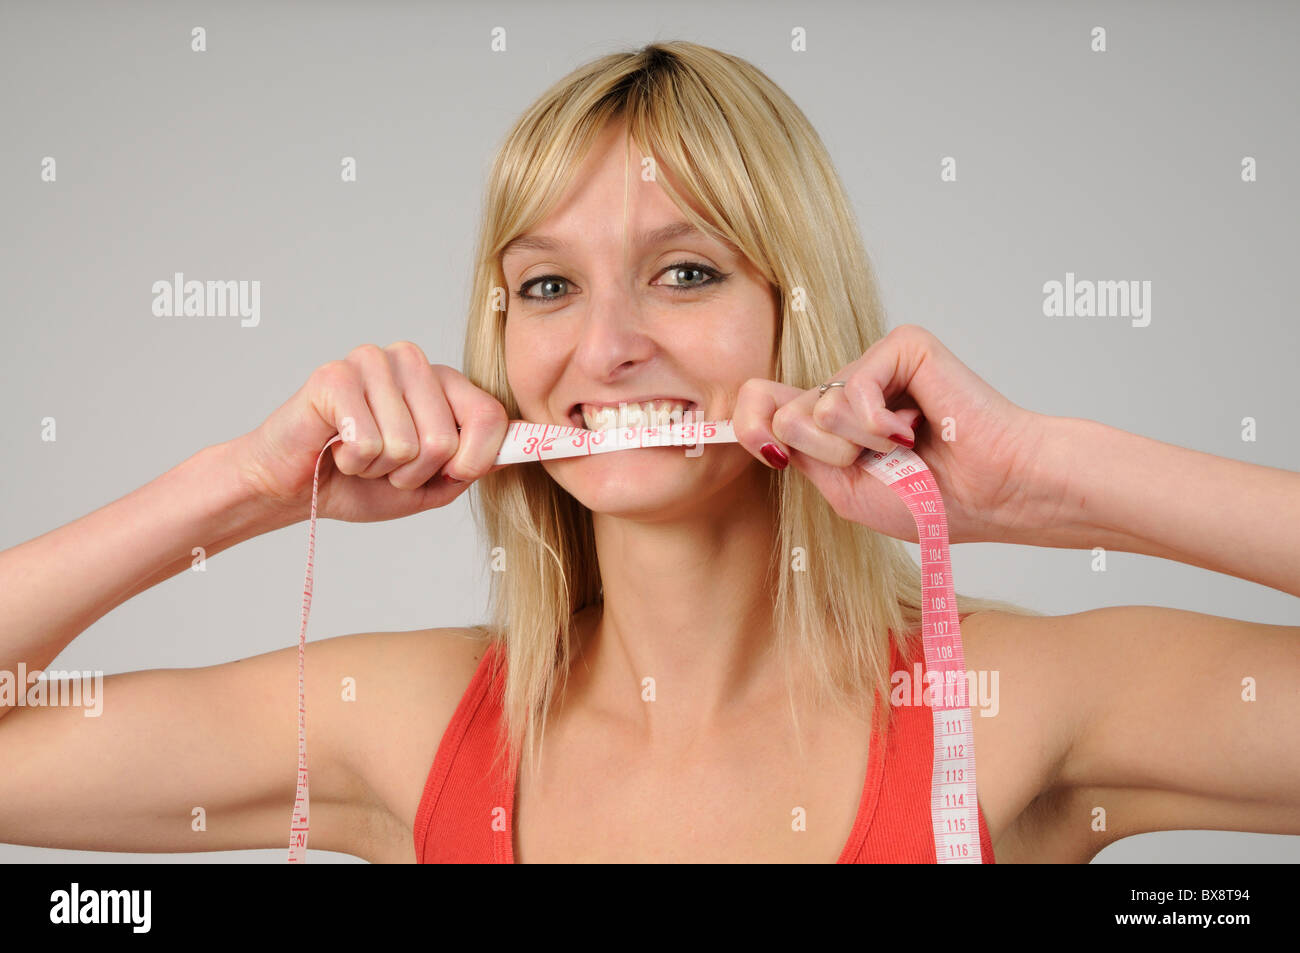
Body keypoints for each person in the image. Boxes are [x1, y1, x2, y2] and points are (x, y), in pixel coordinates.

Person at [1, 41, 1296, 864]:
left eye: (685, 272)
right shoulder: (398, 728)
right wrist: (242, 484)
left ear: (802, 313)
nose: (608, 346)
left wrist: (1055, 481)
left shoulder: (1023, 706)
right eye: (548, 288)